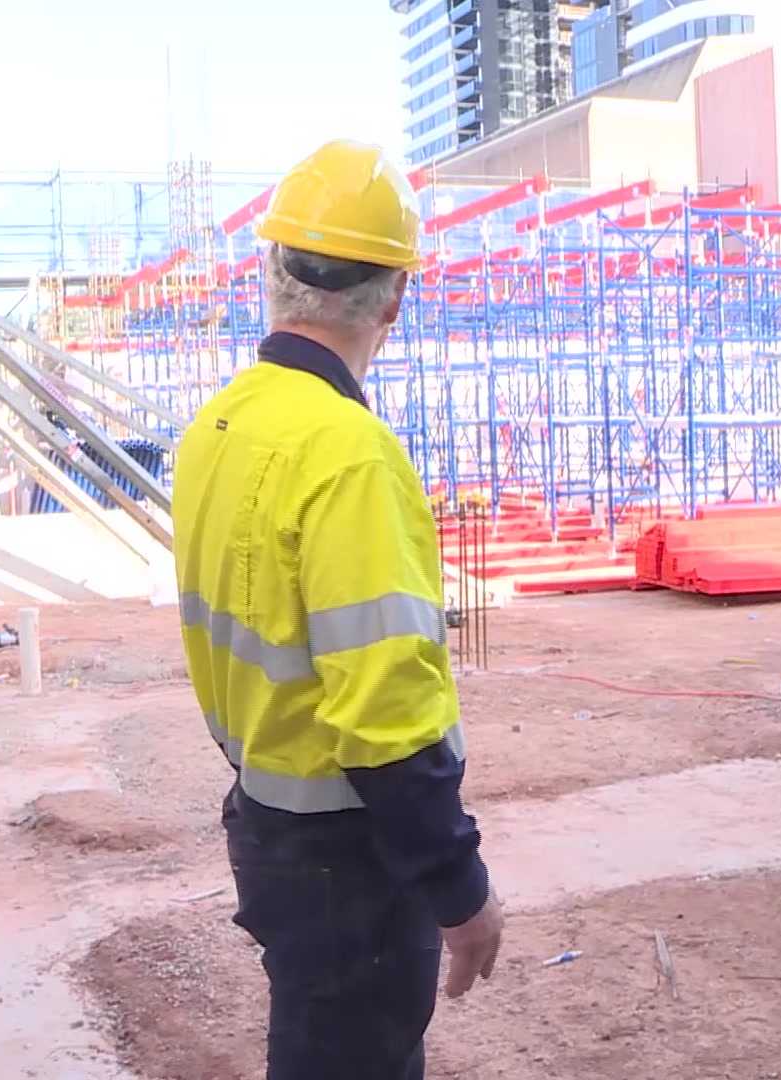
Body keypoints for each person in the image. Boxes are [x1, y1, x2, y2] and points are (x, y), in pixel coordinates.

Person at [171, 140, 505, 1080]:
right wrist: (459, 887)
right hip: (348, 863)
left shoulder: (218, 428)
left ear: (269, 272)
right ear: (394, 299)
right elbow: (387, 717)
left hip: (267, 821)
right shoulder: (350, 456)